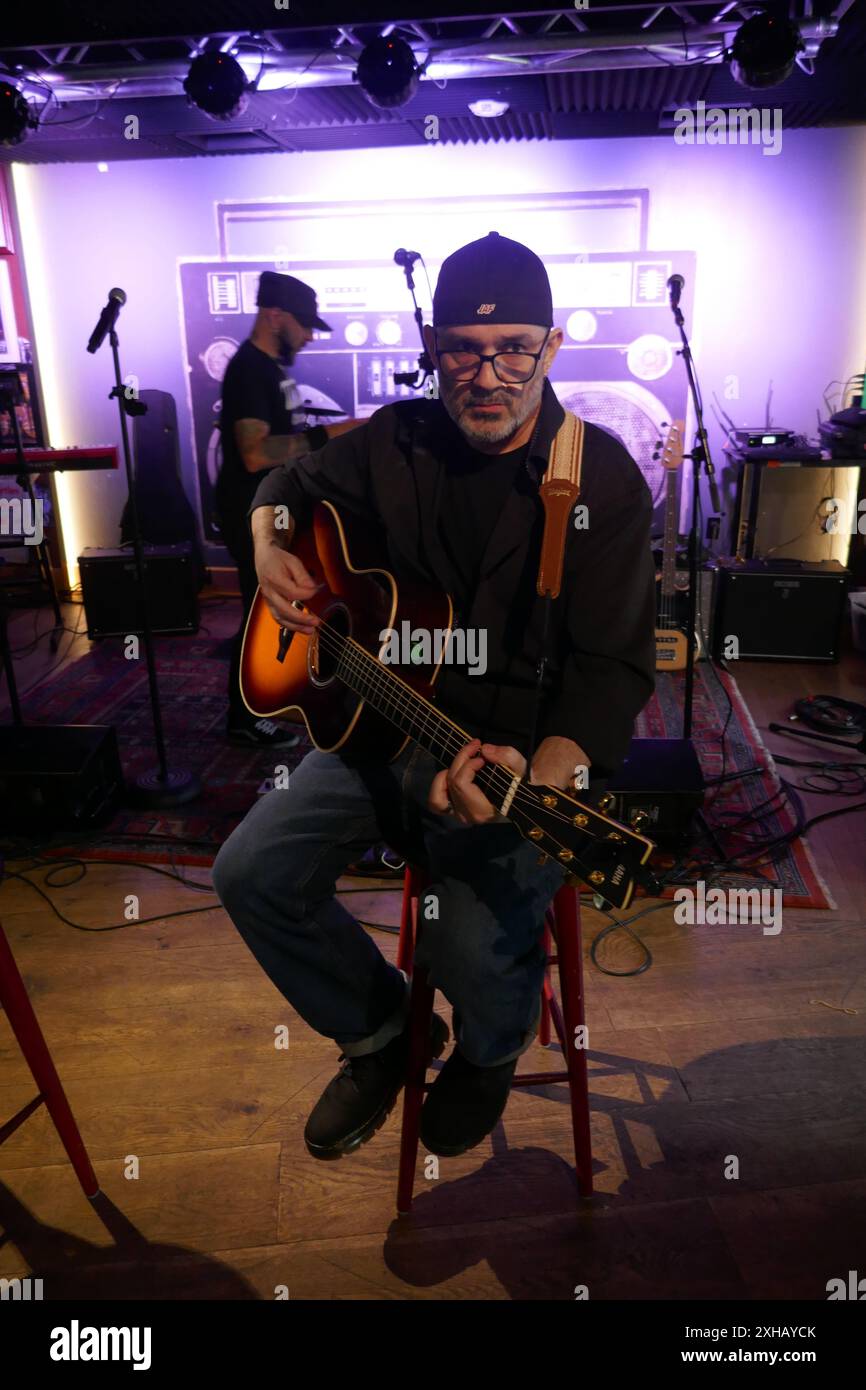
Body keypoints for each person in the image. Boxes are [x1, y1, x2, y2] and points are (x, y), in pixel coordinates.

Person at [213, 232, 656, 1160]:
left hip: (508, 761)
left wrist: (547, 772)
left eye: (513, 350)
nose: (486, 374)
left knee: (460, 935)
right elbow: (286, 479)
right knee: (249, 872)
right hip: (374, 729)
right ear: (433, 349)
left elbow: (610, 667)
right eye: (462, 347)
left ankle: (491, 1050)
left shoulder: (600, 481)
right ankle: (382, 1031)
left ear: (551, 349)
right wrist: (265, 546)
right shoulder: (399, 438)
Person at [214, 270, 361, 746]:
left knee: (274, 606)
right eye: (304, 324)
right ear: (274, 316)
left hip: (273, 509)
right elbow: (255, 453)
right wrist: (338, 432)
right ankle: (244, 714)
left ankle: (269, 695)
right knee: (259, 611)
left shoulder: (273, 371)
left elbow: (292, 441)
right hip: (249, 512)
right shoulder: (248, 370)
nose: (310, 335)